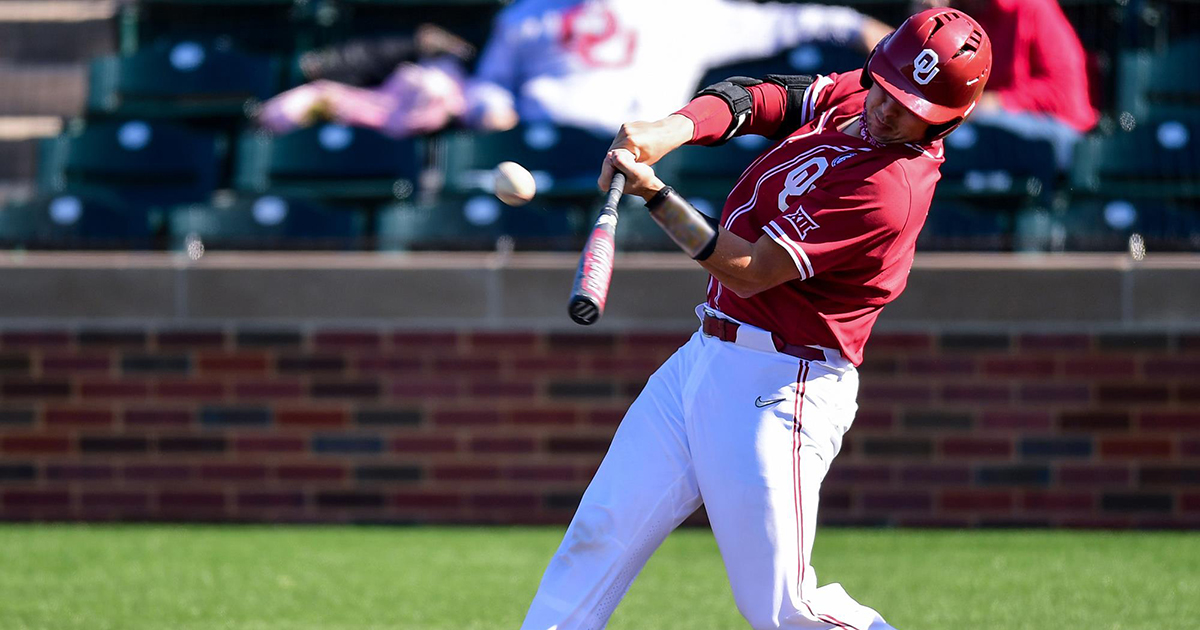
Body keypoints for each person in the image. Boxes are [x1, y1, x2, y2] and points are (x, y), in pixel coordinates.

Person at [518, 8, 993, 630]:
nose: (886, 109)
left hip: (782, 384)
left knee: (784, 606)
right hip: (705, 355)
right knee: (599, 533)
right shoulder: (862, 97)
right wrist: (674, 128)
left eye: (912, 107)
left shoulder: (890, 188)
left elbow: (750, 268)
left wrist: (656, 197)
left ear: (949, 118)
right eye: (886, 87)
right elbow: (764, 98)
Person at [466, 0, 894, 134]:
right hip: (541, 140)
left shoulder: (684, 11)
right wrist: (490, 106)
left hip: (641, 151)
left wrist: (857, 27)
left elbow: (786, 22)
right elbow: (488, 83)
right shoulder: (525, 16)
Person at [916, 0, 1098, 169]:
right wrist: (927, 23)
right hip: (987, 128)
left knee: (974, 130)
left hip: (1057, 133)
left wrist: (998, 101)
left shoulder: (1033, 7)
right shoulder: (962, 17)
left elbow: (1065, 94)